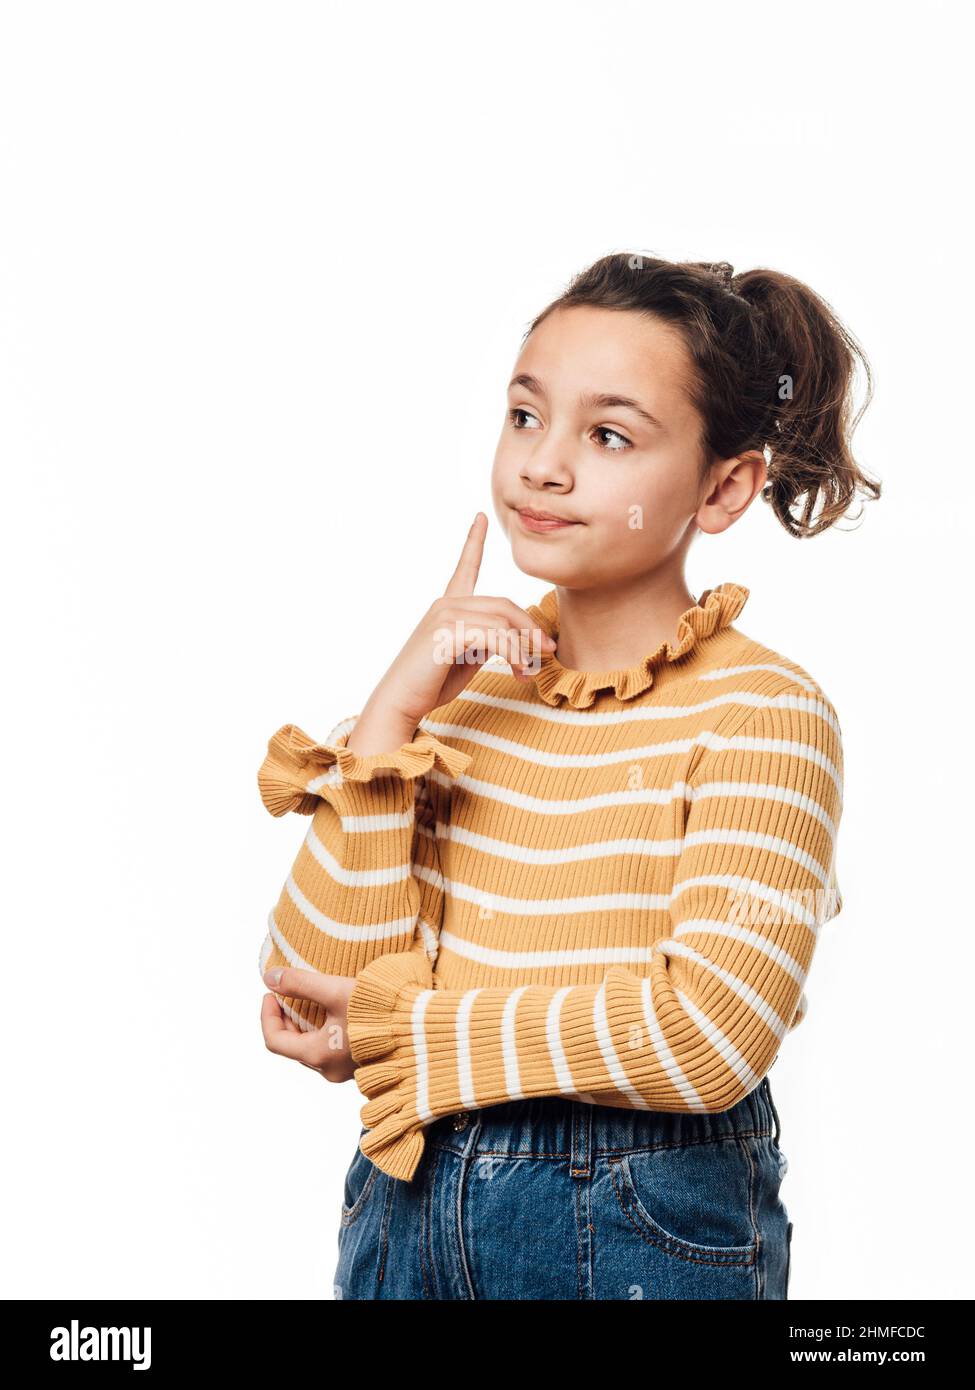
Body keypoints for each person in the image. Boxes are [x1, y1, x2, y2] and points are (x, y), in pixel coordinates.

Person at [257, 251, 879, 1300]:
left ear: (723, 486)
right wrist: (389, 719)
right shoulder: (460, 701)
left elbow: (708, 1035)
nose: (542, 467)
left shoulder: (763, 715)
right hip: (406, 1211)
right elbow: (311, 995)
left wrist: (412, 1030)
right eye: (523, 415)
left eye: (608, 435)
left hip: (630, 1222)